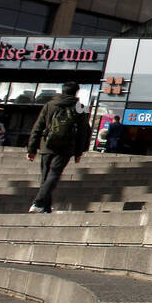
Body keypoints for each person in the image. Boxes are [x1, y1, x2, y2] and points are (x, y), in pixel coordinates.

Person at [25, 82, 91, 214]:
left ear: (62, 90)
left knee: (45, 176)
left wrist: (31, 149)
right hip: (66, 147)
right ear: (76, 92)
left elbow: (37, 127)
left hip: (47, 145)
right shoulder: (80, 107)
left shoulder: (50, 105)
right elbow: (84, 132)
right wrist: (79, 152)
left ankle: (45, 207)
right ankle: (38, 203)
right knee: (54, 174)